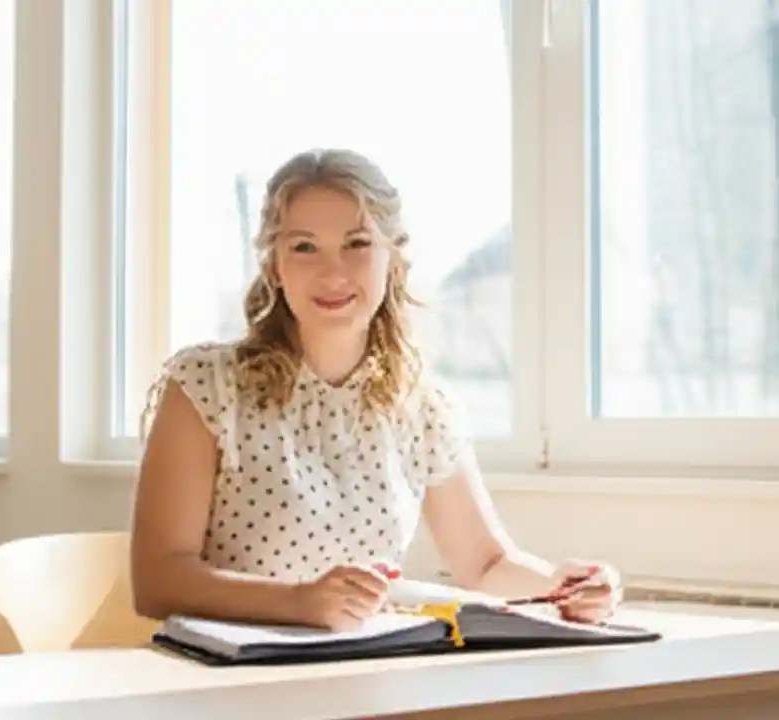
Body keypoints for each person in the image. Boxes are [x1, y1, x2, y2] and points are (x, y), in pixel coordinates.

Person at [130, 149, 621, 631]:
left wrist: (563, 587)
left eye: (358, 243)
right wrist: (300, 602)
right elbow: (158, 580)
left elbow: (485, 565)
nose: (333, 272)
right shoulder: (204, 386)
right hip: (230, 688)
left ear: (393, 258)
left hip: (365, 679)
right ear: (274, 267)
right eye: (303, 247)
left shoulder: (423, 406)